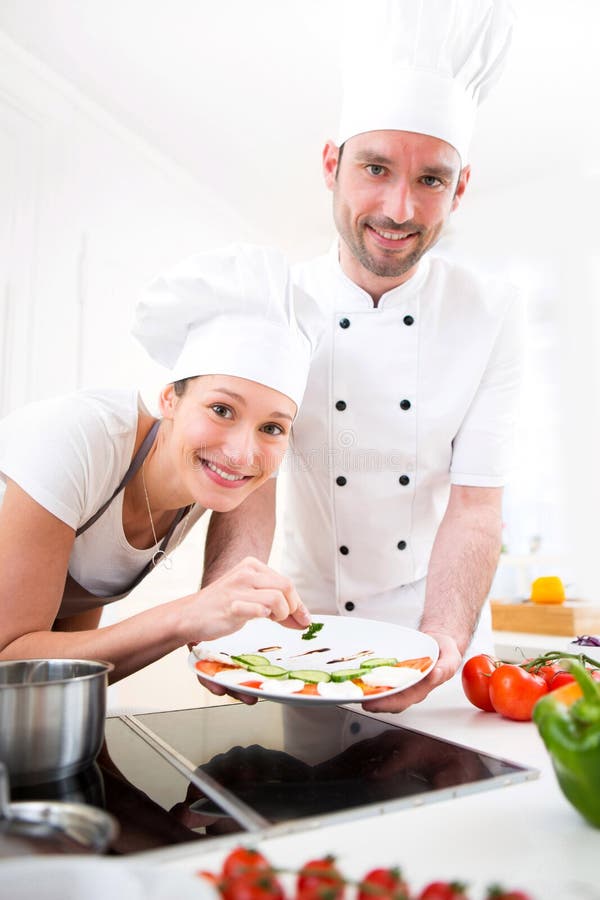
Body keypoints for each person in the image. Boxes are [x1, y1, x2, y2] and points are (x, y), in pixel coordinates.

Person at [199, 0, 524, 713]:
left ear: (460, 188)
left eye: (432, 180)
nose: (399, 209)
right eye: (375, 168)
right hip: (304, 627)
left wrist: (444, 636)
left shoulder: (492, 313)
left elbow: (475, 507)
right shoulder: (275, 300)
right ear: (331, 164)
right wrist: (223, 610)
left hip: (436, 627)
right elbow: (250, 480)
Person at [0, 244, 319, 682]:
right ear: (170, 399)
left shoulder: (233, 469)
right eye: (222, 410)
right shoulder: (77, 441)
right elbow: (7, 657)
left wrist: (226, 645)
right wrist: (186, 616)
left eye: (272, 427)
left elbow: (68, 654)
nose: (242, 453)